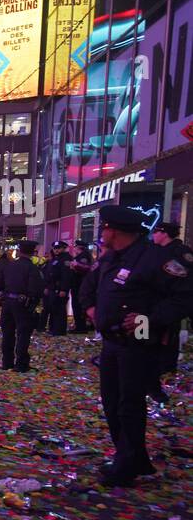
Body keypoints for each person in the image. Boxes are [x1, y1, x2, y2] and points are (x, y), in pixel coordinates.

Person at [89, 206, 193, 485]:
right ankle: (133, 457)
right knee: (112, 403)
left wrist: (150, 318)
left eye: (105, 228)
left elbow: (184, 296)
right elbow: (98, 286)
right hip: (112, 341)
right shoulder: (114, 257)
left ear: (117, 231)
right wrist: (90, 308)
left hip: (138, 341)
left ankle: (126, 466)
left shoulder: (155, 259)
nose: (102, 233)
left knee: (129, 403)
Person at [151, 220, 192, 390]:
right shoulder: (156, 251)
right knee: (145, 335)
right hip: (153, 303)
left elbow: (180, 280)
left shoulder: (180, 252)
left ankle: (166, 368)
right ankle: (151, 365)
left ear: (164, 234)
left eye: (156, 232)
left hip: (170, 303)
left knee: (167, 336)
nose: (153, 235)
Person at [0, 239, 44, 373]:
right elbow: (36, 289)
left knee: (8, 334)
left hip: (8, 303)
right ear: (32, 252)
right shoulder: (32, 268)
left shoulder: (8, 266)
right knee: (23, 334)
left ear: (19, 251)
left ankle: (7, 362)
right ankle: (21, 364)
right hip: (23, 304)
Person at [42, 241, 73, 336]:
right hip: (52, 287)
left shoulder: (66, 259)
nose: (56, 250)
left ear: (63, 248)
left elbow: (66, 275)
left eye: (58, 248)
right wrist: (47, 286)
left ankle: (59, 330)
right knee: (53, 309)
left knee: (59, 310)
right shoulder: (56, 259)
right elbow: (49, 273)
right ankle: (53, 328)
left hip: (59, 288)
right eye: (55, 248)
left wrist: (64, 289)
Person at [68, 239, 93, 332]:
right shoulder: (80, 256)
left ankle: (81, 326)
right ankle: (80, 325)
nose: (74, 248)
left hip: (79, 284)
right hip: (77, 283)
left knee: (78, 306)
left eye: (75, 247)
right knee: (76, 306)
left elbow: (85, 268)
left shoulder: (83, 256)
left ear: (78, 247)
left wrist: (76, 265)